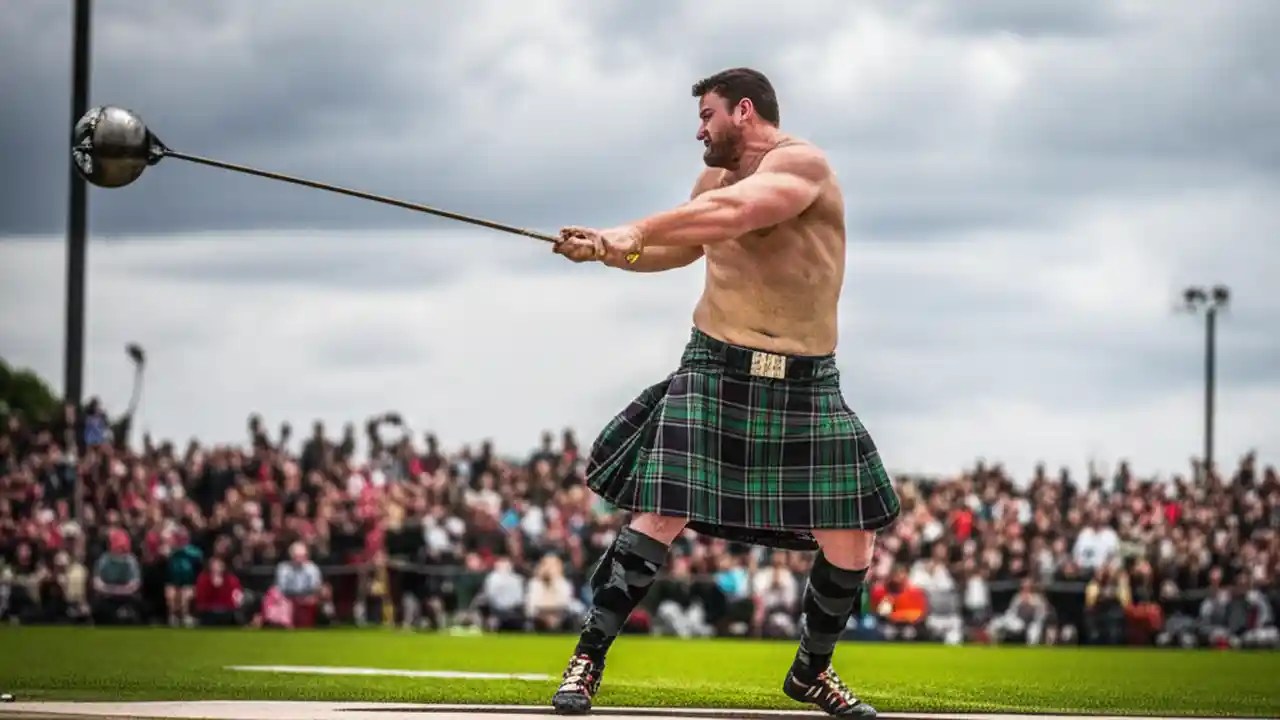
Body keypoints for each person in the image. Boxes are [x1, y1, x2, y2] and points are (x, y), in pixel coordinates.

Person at [549, 67, 900, 717]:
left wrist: (634, 229)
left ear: (744, 111)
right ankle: (587, 659)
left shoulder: (803, 167)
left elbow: (737, 212)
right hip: (715, 364)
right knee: (658, 514)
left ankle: (811, 673)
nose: (699, 130)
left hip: (805, 378)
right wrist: (610, 249)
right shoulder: (709, 181)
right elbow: (681, 248)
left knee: (853, 538)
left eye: (707, 116)